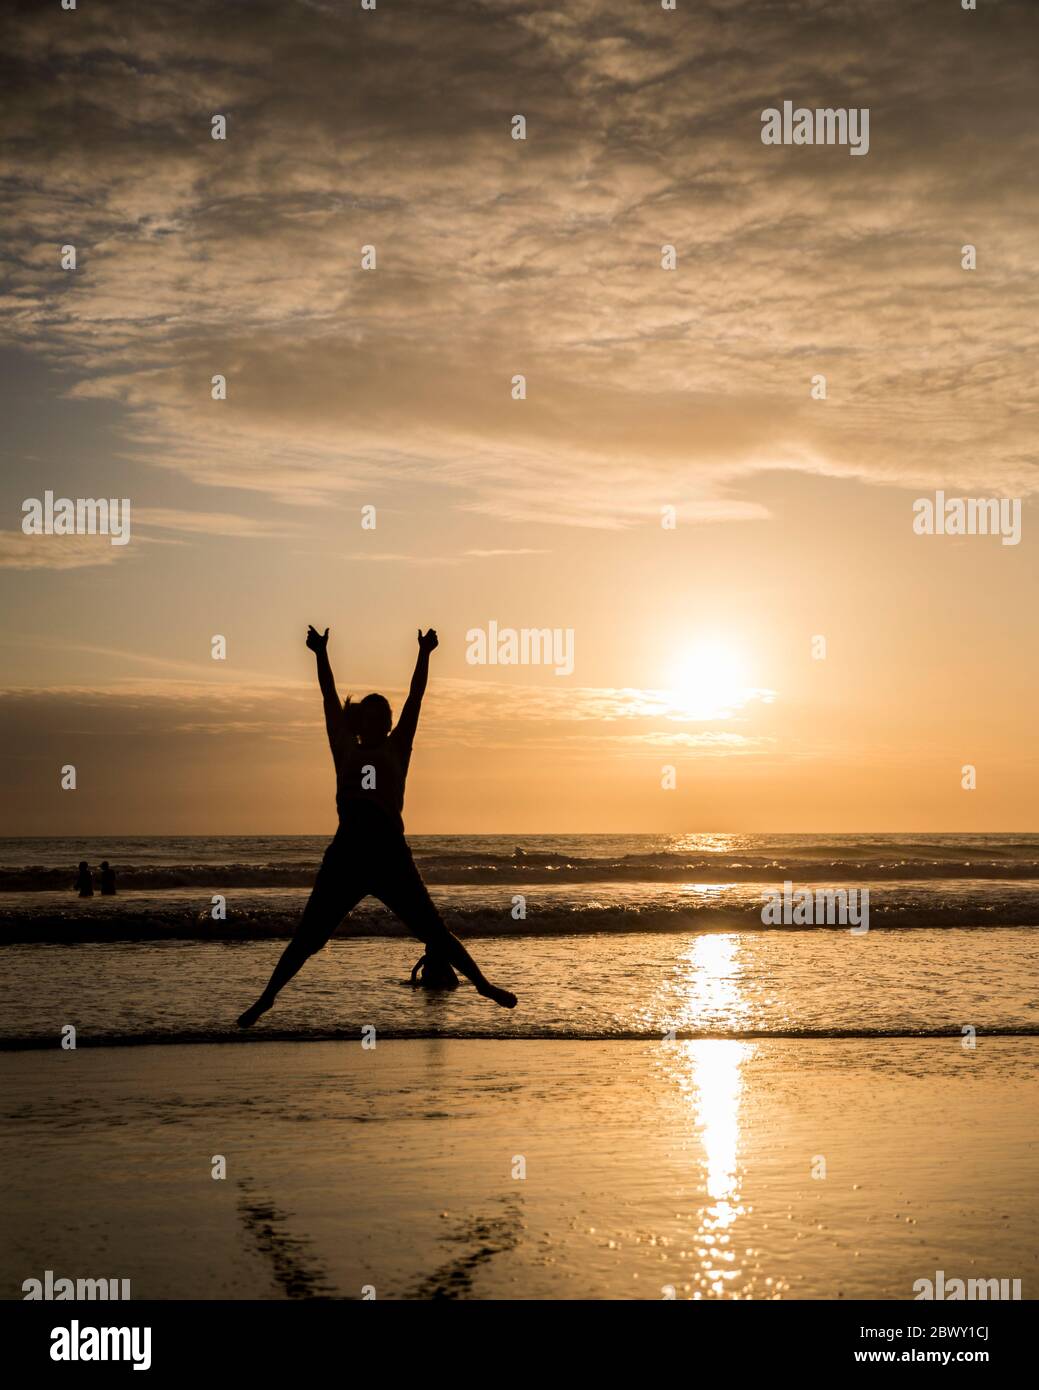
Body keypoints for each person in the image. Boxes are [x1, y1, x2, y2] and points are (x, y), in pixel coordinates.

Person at [237, 625, 517, 1027]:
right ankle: (267, 998)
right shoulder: (345, 748)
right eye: (375, 715)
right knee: (309, 939)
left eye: (386, 716)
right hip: (346, 858)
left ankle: (483, 985)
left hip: (390, 859)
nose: (383, 720)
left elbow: (416, 698)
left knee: (435, 933)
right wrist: (320, 654)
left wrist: (425, 654)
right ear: (362, 723)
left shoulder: (396, 748)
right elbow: (329, 698)